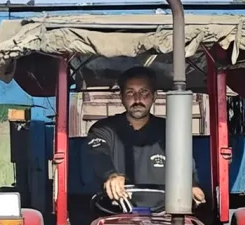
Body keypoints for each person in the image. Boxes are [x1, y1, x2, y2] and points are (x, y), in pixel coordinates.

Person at [87, 65, 205, 206]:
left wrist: (191, 187)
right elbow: (99, 154)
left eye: (144, 92)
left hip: (164, 217)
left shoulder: (171, 130)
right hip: (116, 215)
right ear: (121, 97)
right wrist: (111, 175)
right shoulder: (104, 129)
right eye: (130, 93)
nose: (137, 99)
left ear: (154, 96)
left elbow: (185, 167)